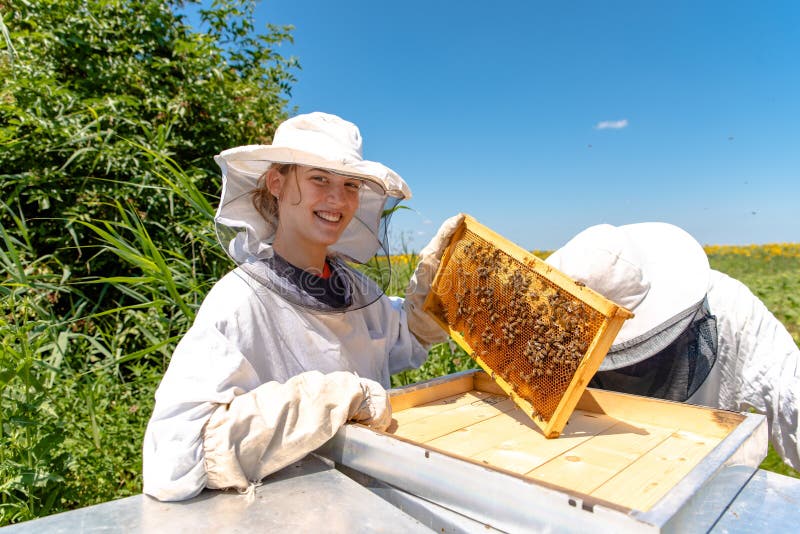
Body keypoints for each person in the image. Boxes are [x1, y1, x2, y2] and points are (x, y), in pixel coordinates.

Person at [142, 112, 460, 501]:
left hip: (372, 503)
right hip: (286, 512)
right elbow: (172, 459)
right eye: (319, 178)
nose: (338, 199)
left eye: (351, 184)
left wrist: (438, 295)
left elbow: (399, 339)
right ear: (276, 182)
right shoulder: (239, 301)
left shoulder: (356, 290)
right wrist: (317, 403)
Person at [544, 222, 800, 470]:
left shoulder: (731, 305)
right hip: (590, 466)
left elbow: (789, 393)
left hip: (705, 474)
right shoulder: (542, 322)